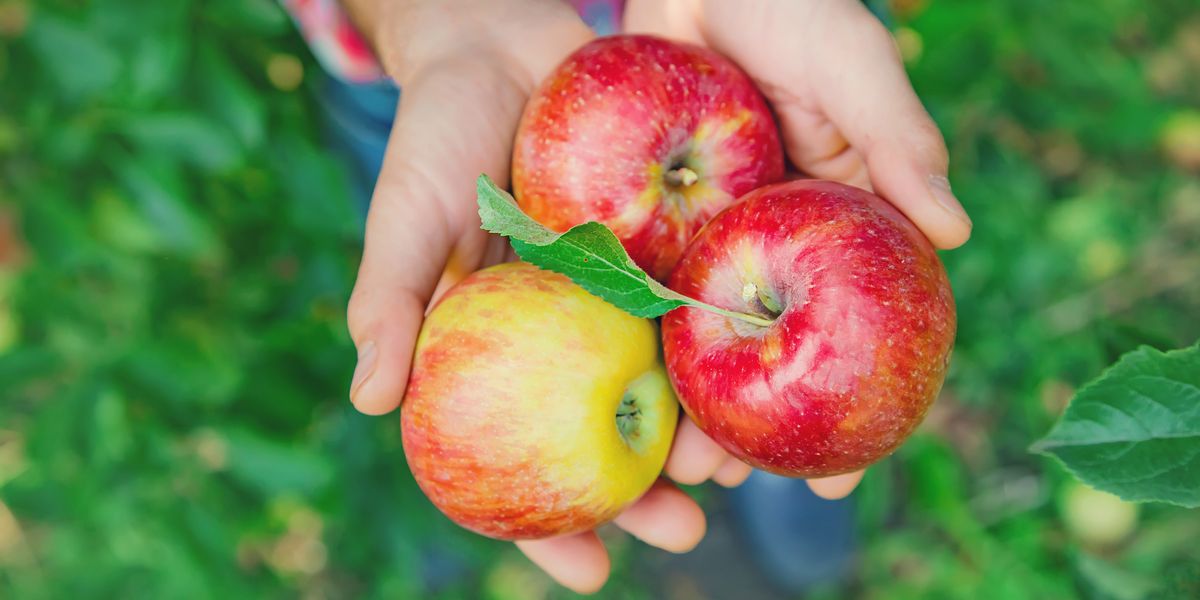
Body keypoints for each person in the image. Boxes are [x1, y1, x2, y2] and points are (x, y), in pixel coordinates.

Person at [283, 0, 972, 593]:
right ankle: (775, 443)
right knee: (461, 231)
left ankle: (780, 453)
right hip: (438, 58)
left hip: (736, 67)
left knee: (777, 414)